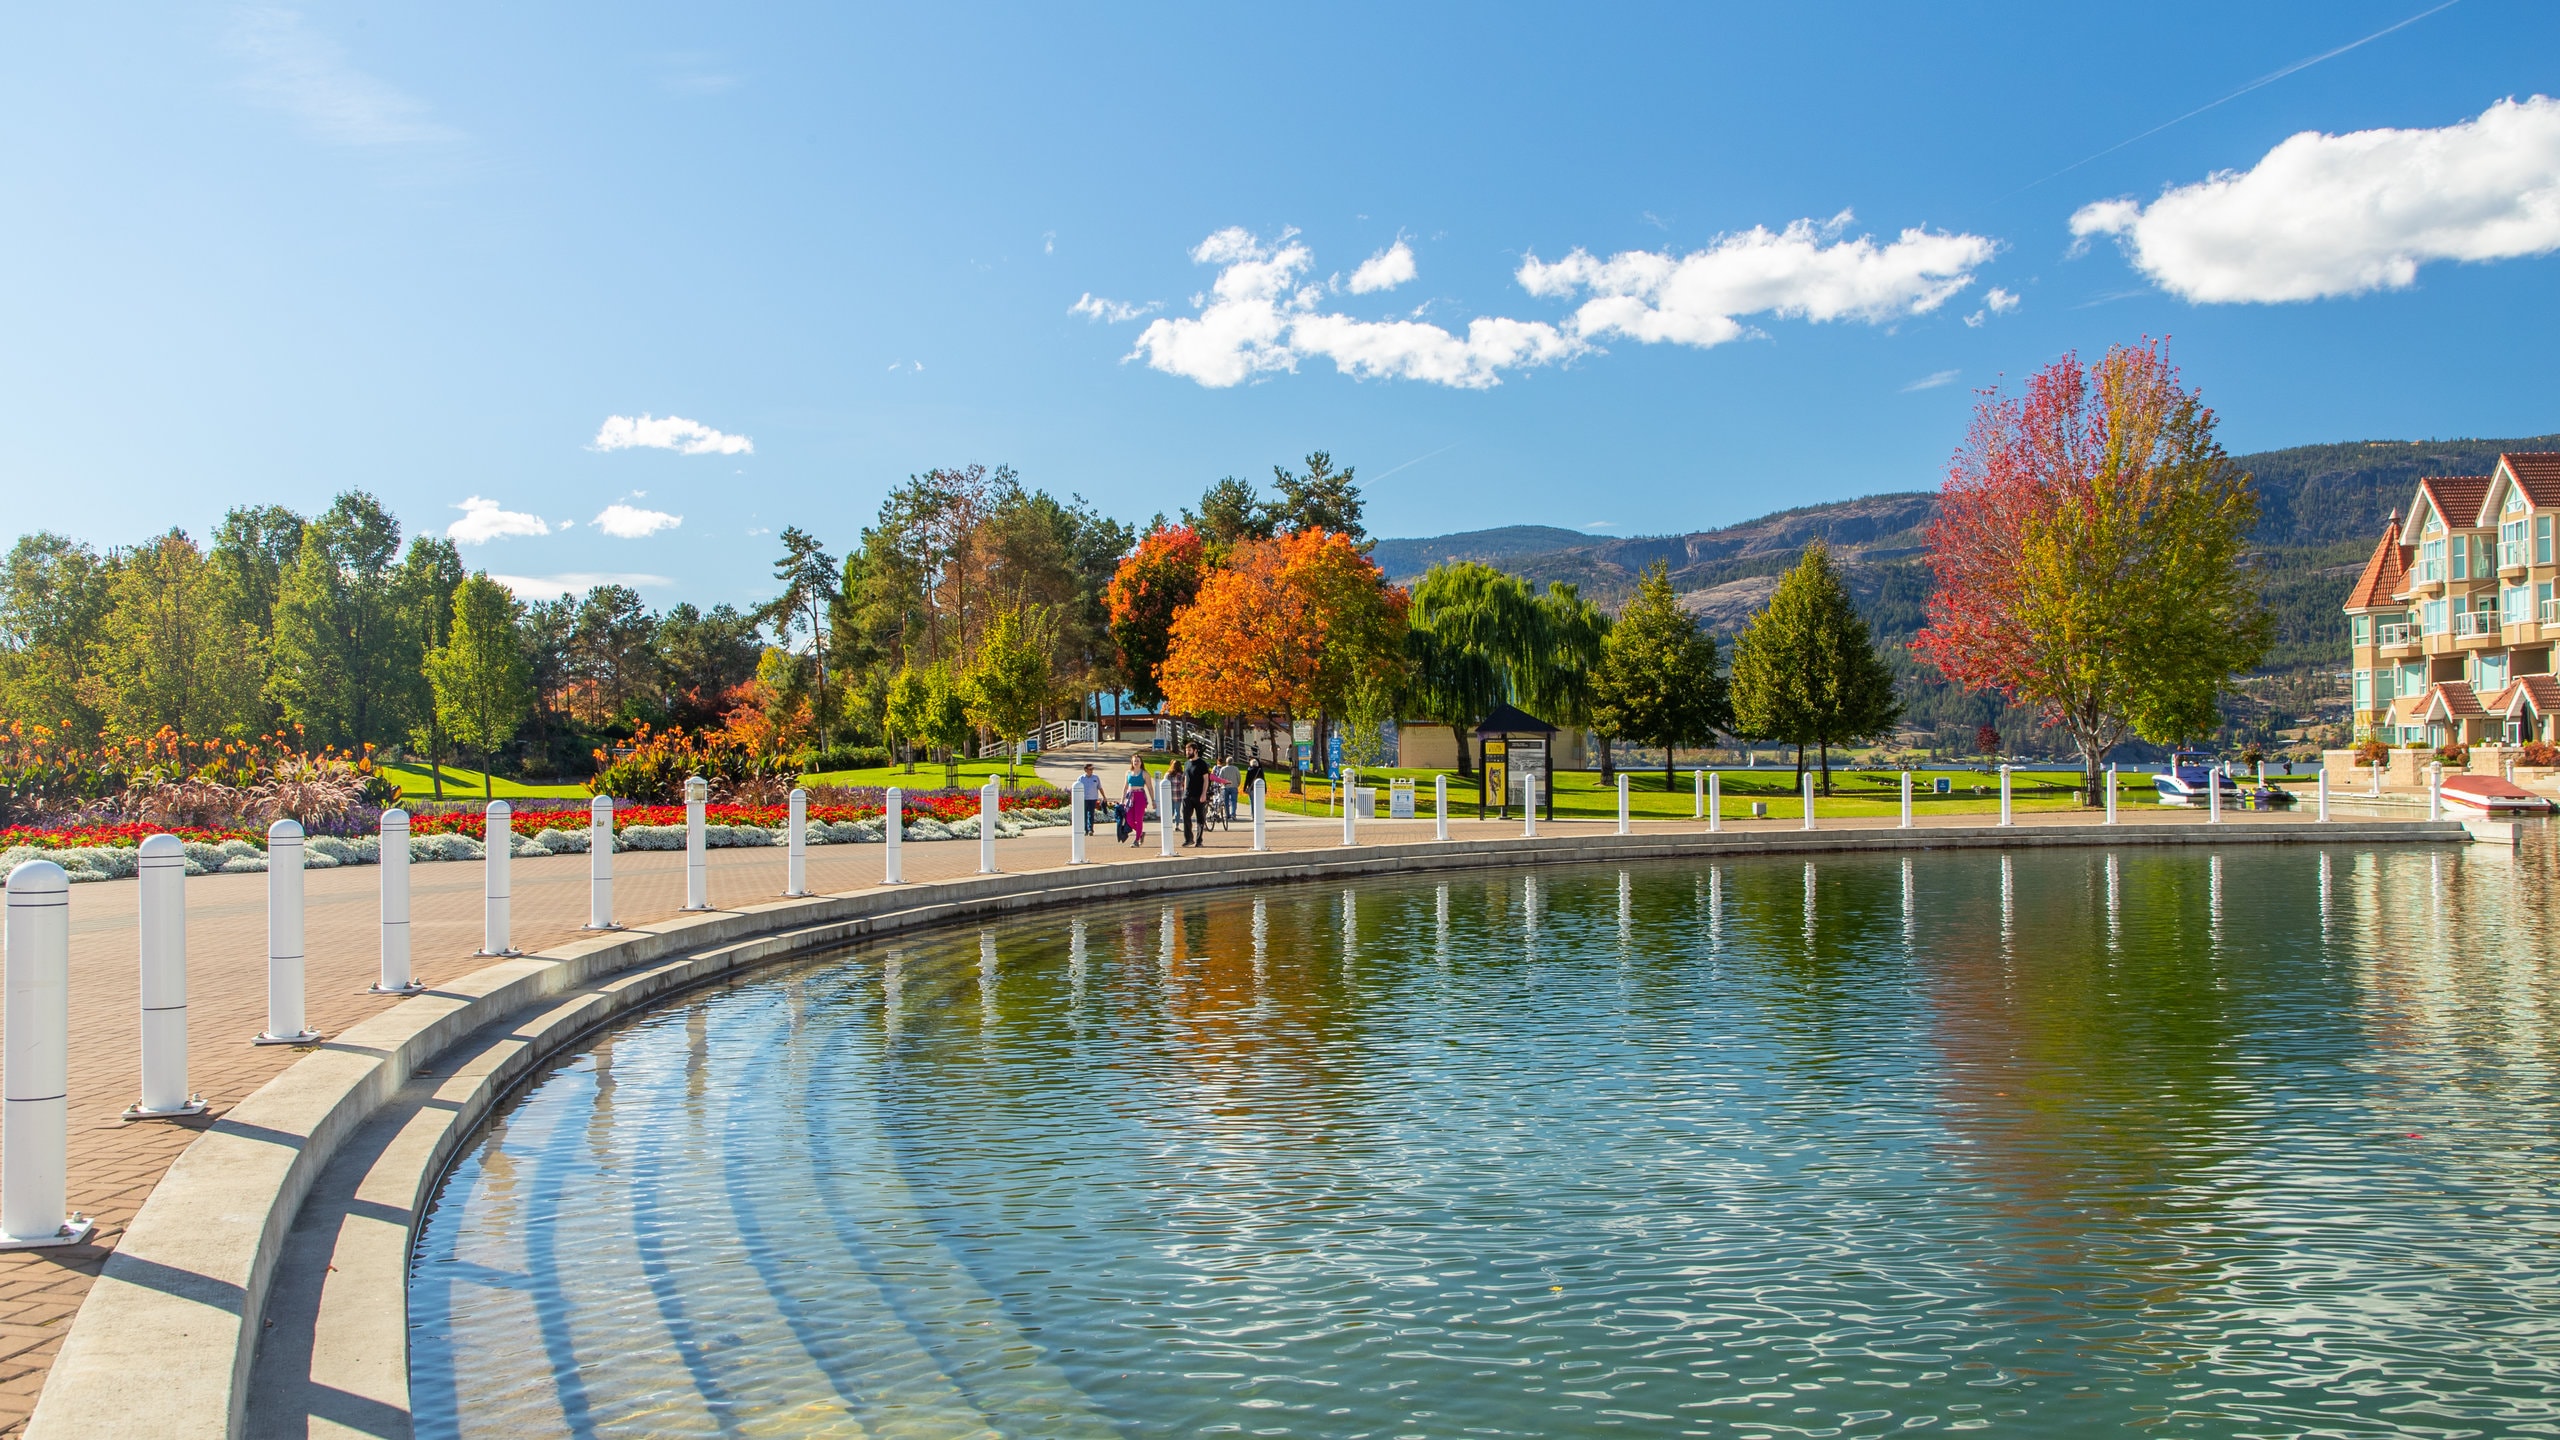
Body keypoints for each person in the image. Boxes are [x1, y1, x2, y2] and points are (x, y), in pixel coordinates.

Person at [1181, 742, 1213, 846]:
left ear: (1195, 751)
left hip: (1199, 795)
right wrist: (1184, 791)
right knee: (1186, 817)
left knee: (1200, 818)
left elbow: (1206, 779)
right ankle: (1189, 839)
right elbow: (1186, 778)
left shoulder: (1202, 764)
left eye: (1189, 750)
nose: (1187, 752)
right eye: (1186, 750)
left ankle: (1199, 840)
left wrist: (1204, 793)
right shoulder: (1186, 764)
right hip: (1188, 795)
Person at [1121, 759, 1149, 846]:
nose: (1136, 763)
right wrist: (1122, 800)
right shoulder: (1128, 773)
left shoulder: (1144, 773)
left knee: (1138, 818)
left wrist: (1153, 800)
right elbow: (1125, 787)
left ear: (1141, 762)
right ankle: (1140, 833)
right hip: (1130, 796)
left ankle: (1136, 840)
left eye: (1138, 761)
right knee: (1129, 819)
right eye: (1134, 761)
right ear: (1132, 763)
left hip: (1140, 796)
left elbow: (1150, 787)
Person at [1073, 762, 1105, 837]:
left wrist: (1104, 796)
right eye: (1090, 769)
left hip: (1093, 798)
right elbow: (1076, 789)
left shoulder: (1096, 778)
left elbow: (1100, 787)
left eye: (1092, 769)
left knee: (1091, 814)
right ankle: (1085, 830)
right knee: (1084, 815)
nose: (1092, 770)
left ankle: (1090, 829)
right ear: (1085, 770)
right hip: (1084, 799)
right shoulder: (1081, 778)